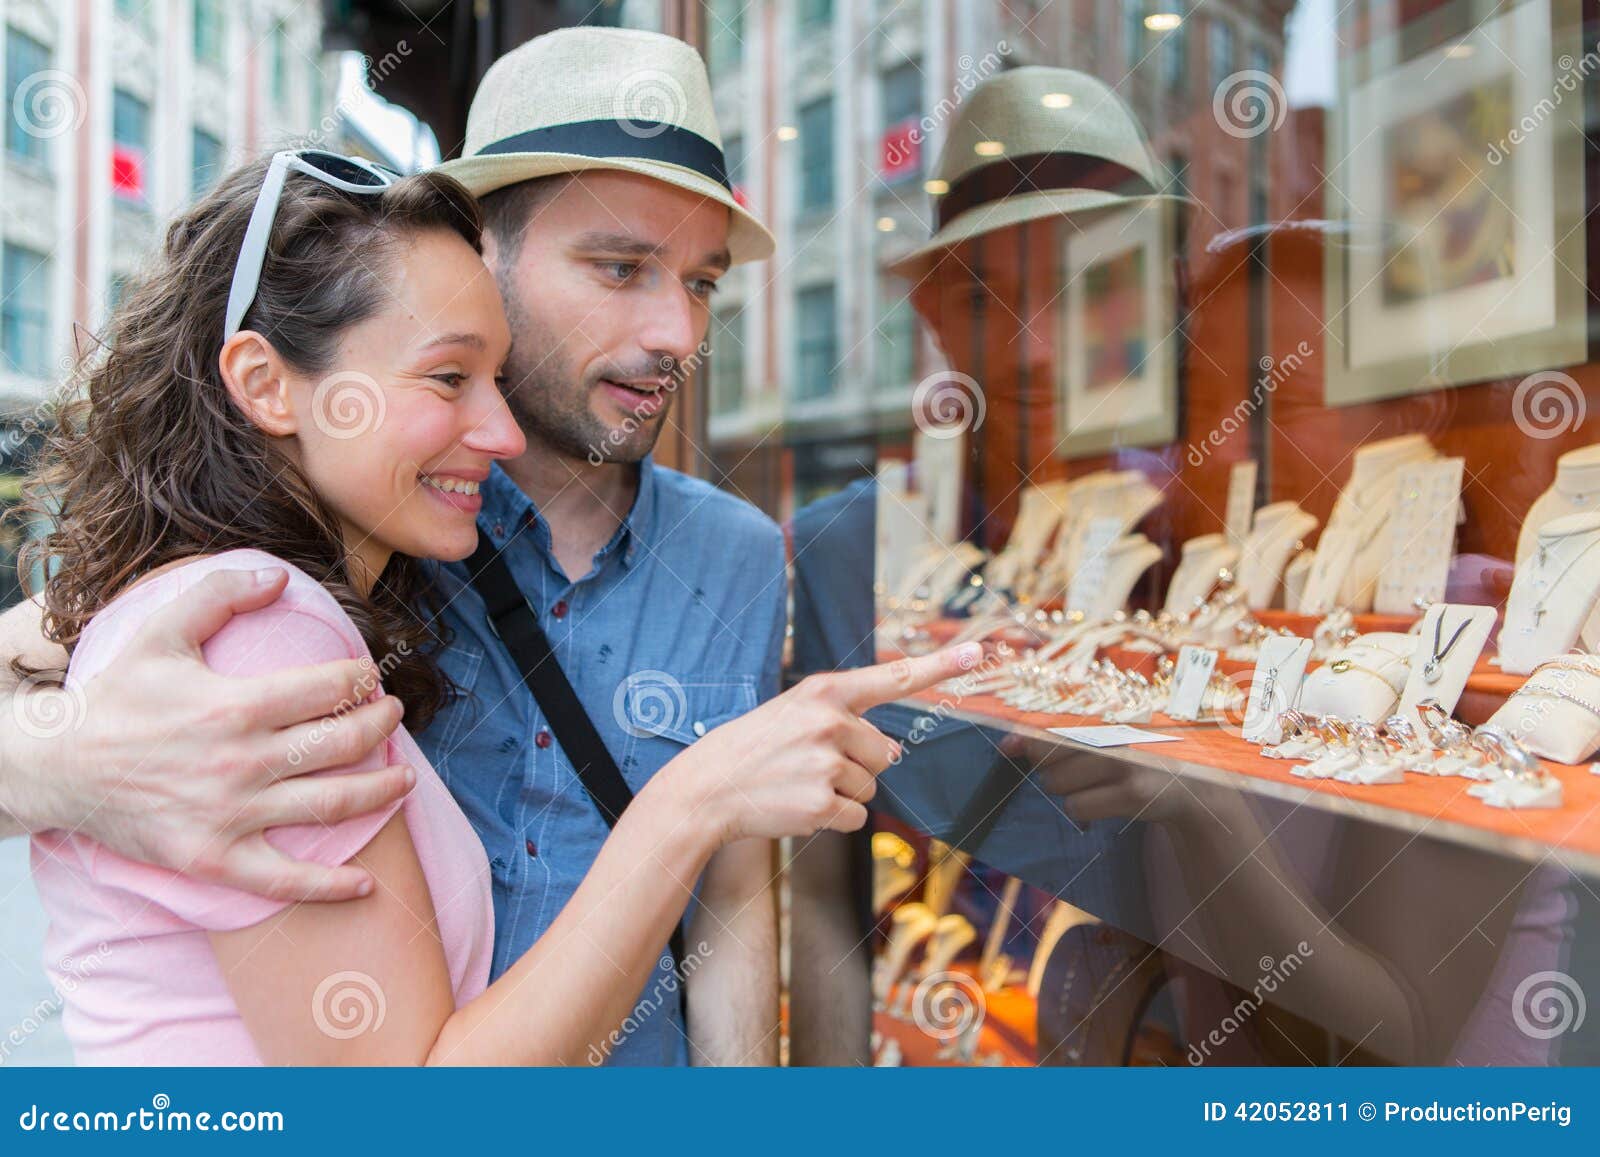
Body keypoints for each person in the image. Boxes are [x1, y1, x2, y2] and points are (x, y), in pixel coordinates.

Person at [0, 28, 975, 1065]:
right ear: (484, 257)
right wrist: (70, 762)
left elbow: (734, 897)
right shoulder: (377, 507)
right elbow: (78, 640)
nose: (676, 333)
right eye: (620, 265)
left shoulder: (732, 550)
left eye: (700, 282)